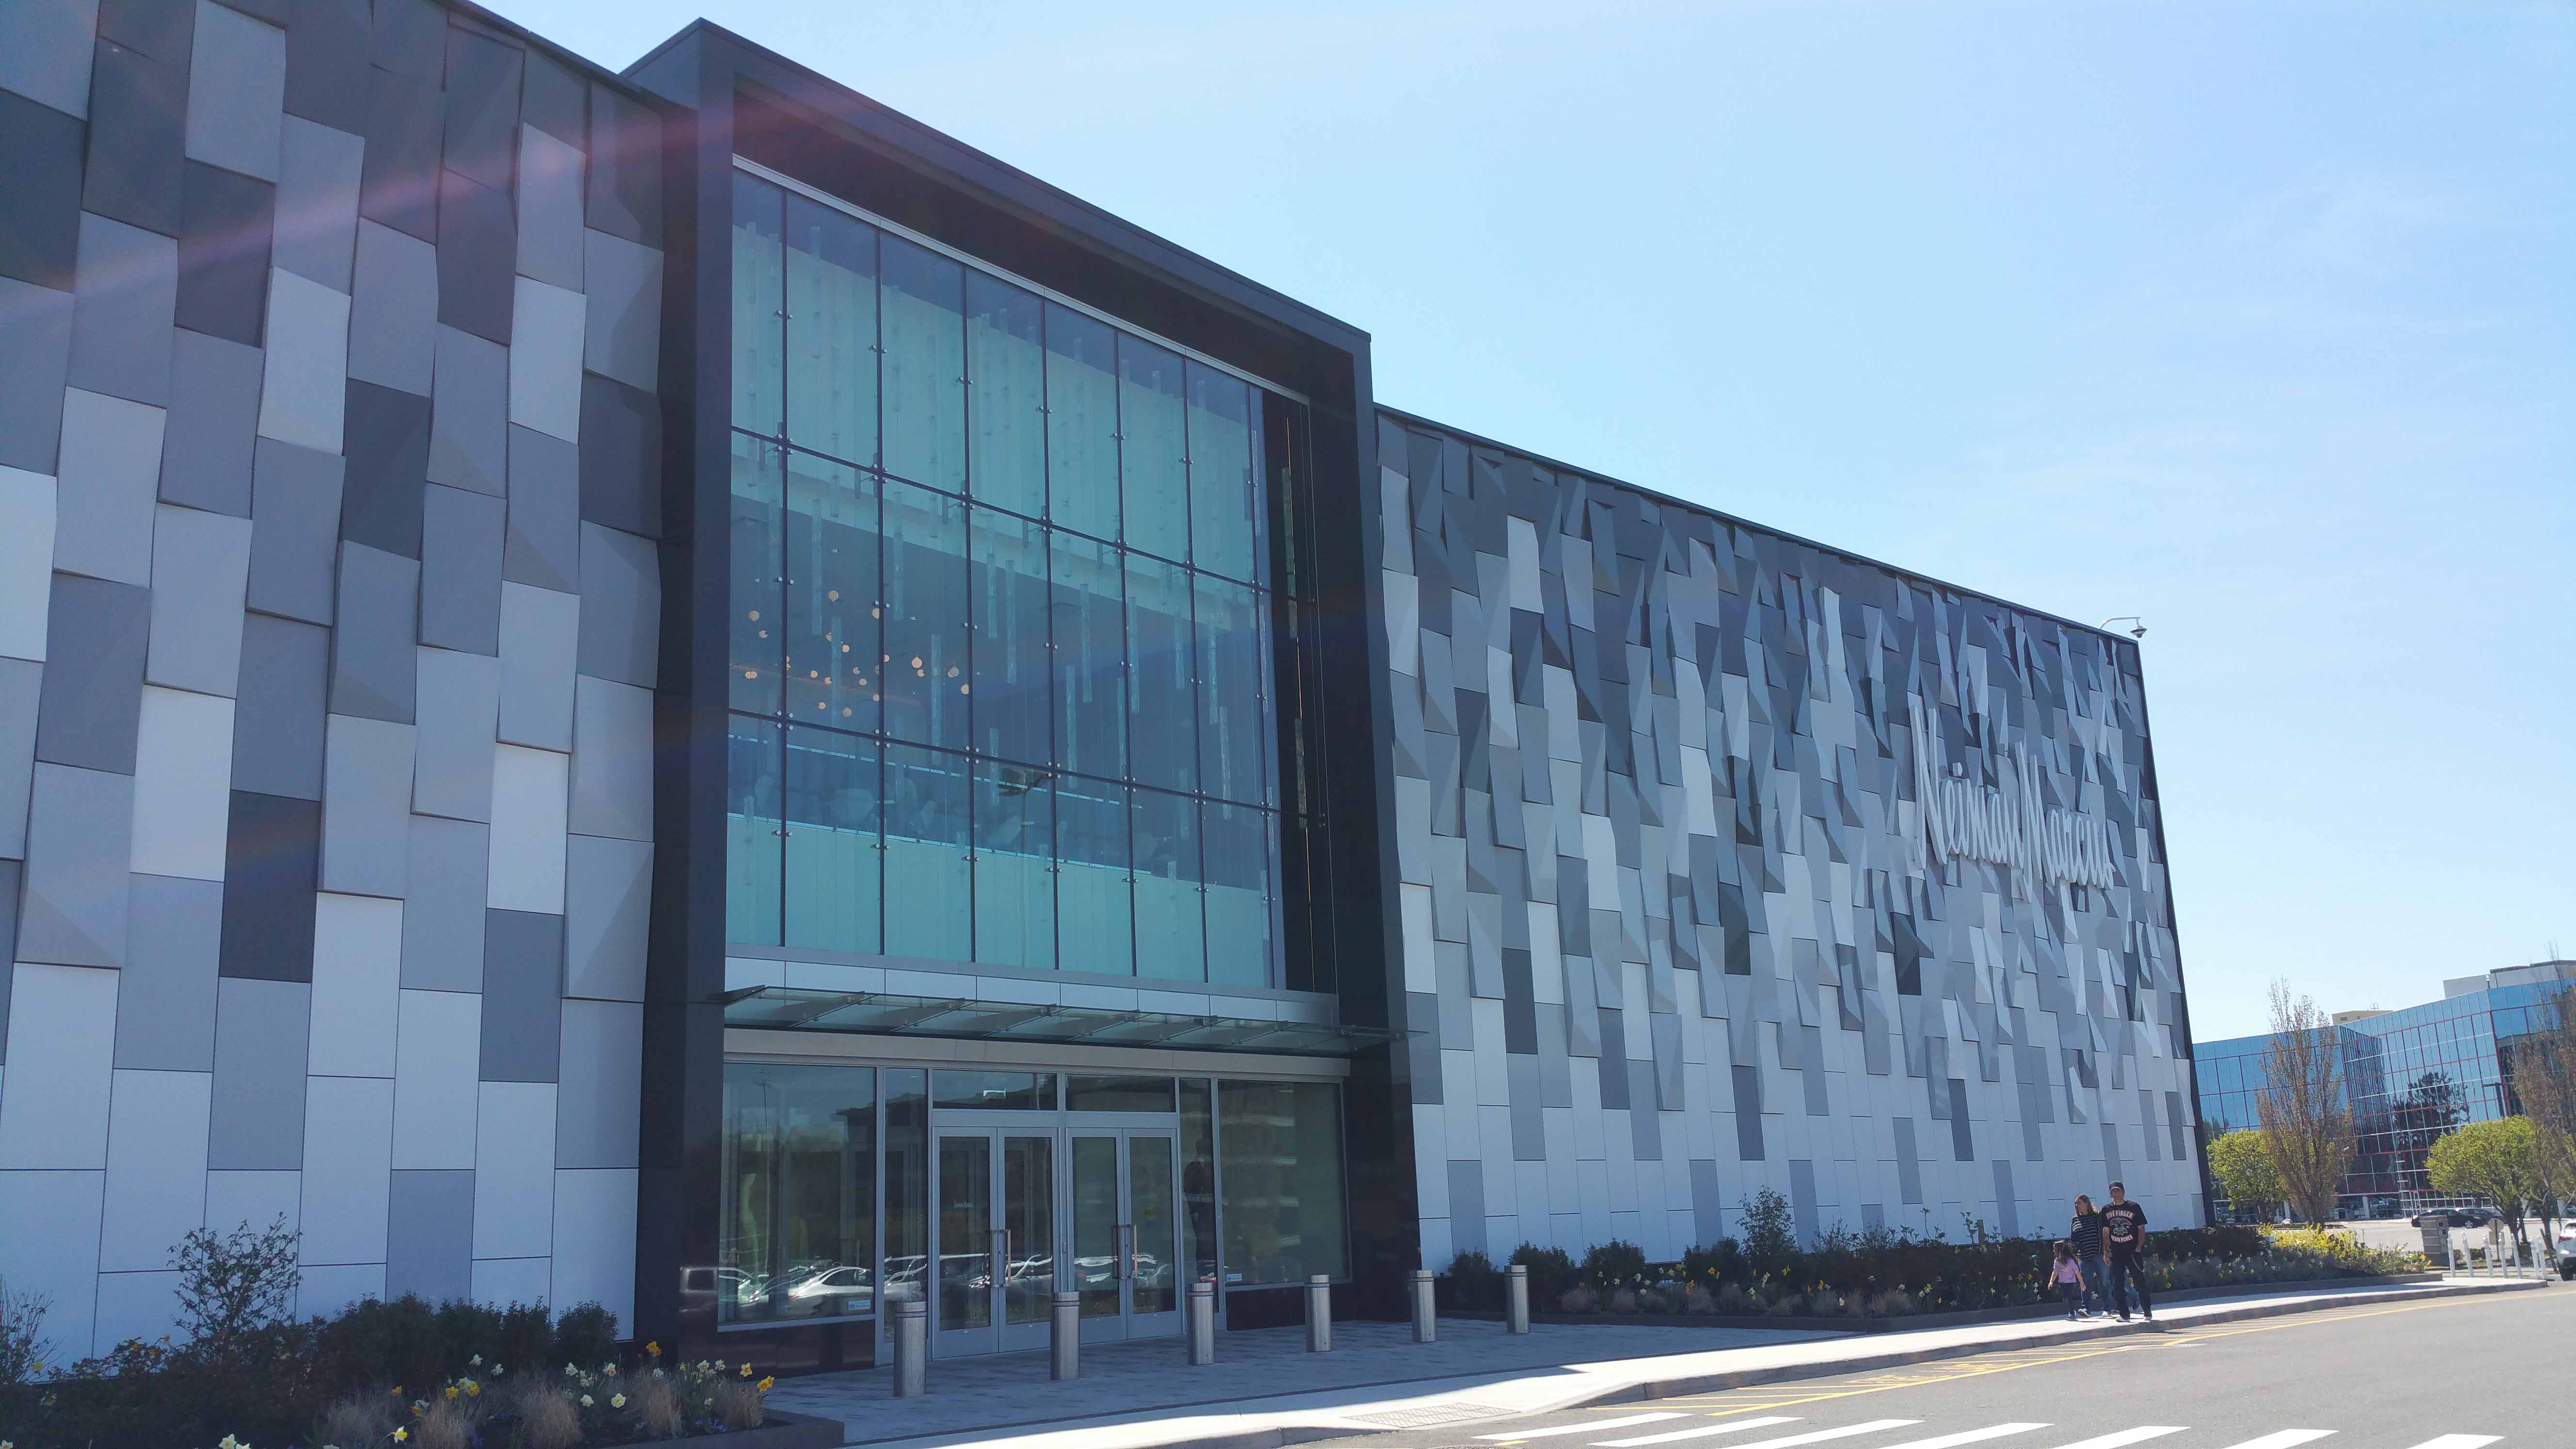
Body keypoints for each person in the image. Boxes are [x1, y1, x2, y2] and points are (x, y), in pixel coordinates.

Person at [2100, 1179, 2153, 1322]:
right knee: (2118, 1283)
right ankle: (2124, 1314)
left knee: (2139, 1281)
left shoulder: (2133, 1207)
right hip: (2116, 1251)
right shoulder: (2106, 1210)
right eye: (2113, 1191)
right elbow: (2106, 1231)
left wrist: (2138, 1248)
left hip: (2132, 1250)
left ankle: (2147, 1311)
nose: (2115, 1193)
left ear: (2123, 1191)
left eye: (2118, 1190)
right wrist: (2106, 1252)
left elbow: (2141, 1228)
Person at [2069, 1192, 2109, 1317]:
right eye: (2075, 1203)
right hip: (2083, 1256)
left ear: (2087, 1204)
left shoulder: (2097, 1217)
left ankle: (2108, 1308)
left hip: (2098, 1254)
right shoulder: (2075, 1220)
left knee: (2104, 1281)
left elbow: (2105, 1233)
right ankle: (2086, 1308)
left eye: (2079, 1203)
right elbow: (2074, 1239)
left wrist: (2106, 1252)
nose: (2077, 1205)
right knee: (2085, 1282)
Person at [2043, 1240, 2086, 1320]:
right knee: (2065, 1297)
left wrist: (2082, 1283)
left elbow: (2077, 1272)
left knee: (2069, 1297)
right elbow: (2055, 1272)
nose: (2053, 1251)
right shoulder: (2057, 1261)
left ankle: (2072, 1314)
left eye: (2055, 1249)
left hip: (2071, 1282)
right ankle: (2072, 1311)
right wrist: (2051, 1282)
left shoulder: (2071, 1261)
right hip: (2062, 1282)